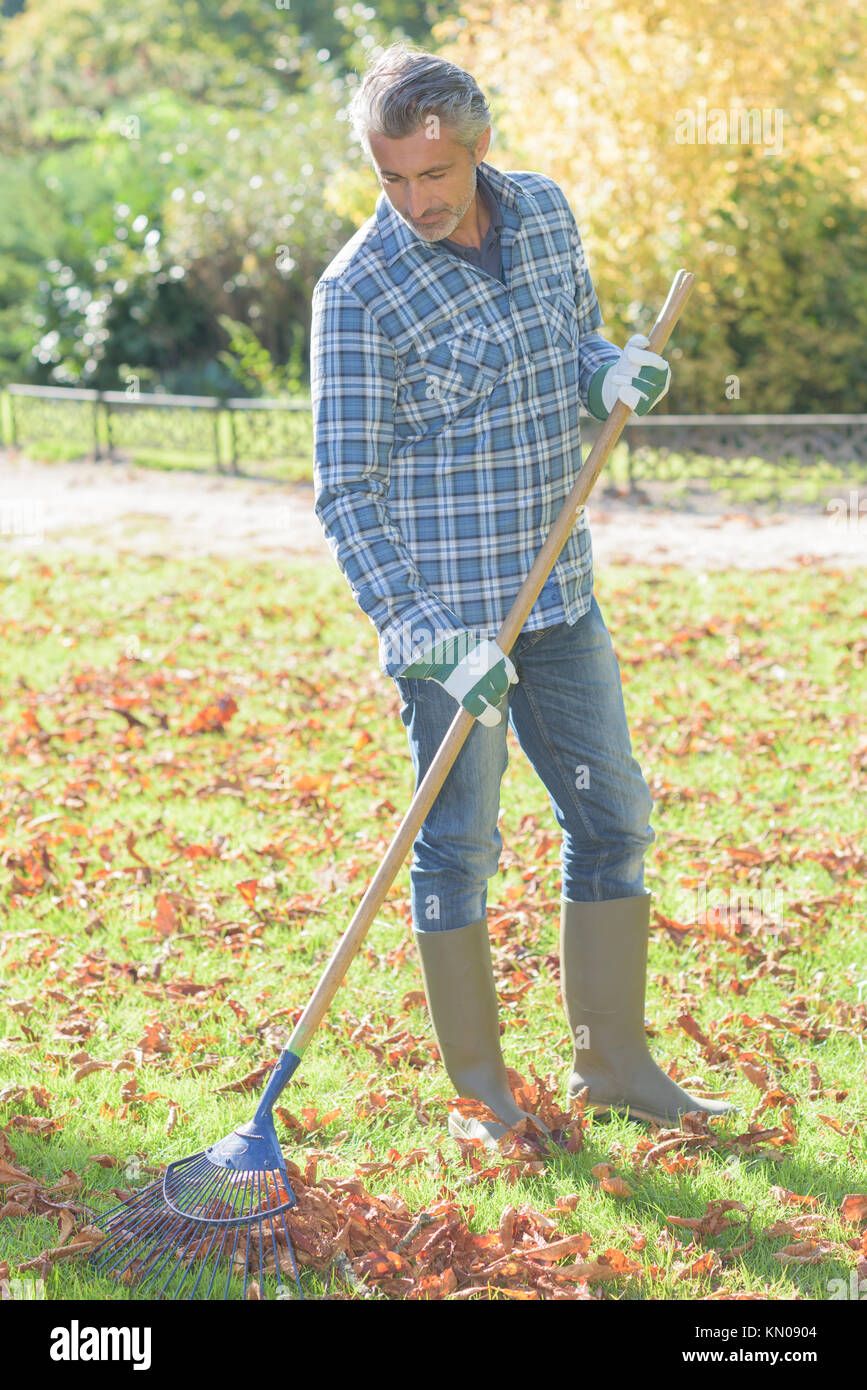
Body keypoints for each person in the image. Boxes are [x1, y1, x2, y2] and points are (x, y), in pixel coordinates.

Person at [310, 42, 737, 1148]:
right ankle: (480, 1094)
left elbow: (567, 350)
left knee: (612, 819)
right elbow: (345, 492)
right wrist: (423, 637)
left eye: (433, 176)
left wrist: (607, 372)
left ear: (479, 146)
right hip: (455, 628)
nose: (415, 201)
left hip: (560, 599)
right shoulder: (357, 291)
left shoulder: (544, 213)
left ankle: (615, 1062)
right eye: (392, 178)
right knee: (457, 850)